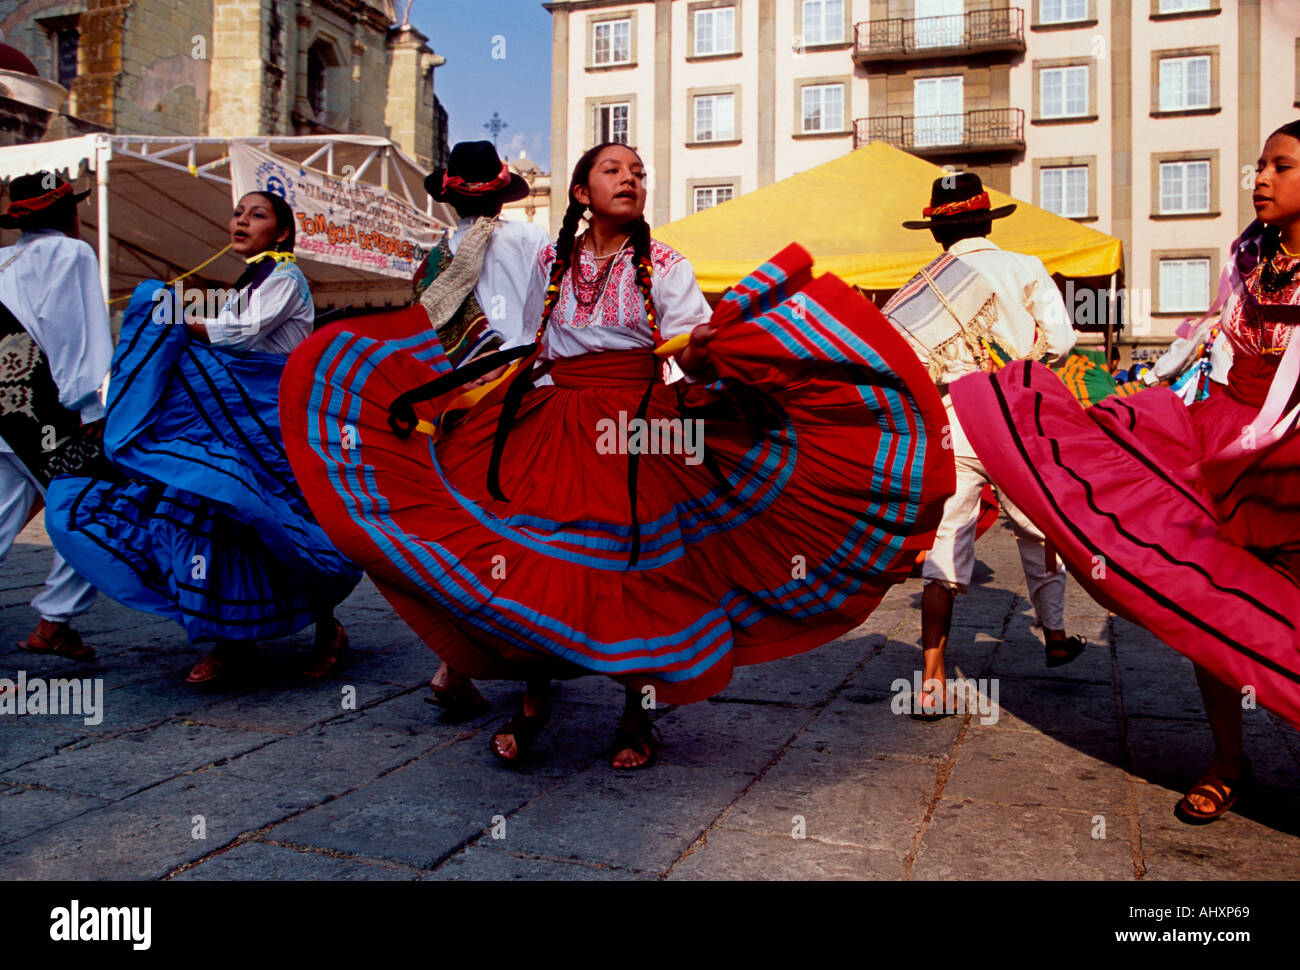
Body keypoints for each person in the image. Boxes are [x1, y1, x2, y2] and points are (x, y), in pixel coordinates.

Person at [281, 141, 954, 770]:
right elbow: (525, 338)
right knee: (536, 559)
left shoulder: (666, 265)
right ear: (580, 191)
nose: (630, 177)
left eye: (637, 170)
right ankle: (536, 695)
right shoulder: (550, 261)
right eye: (613, 169)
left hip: (639, 426)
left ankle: (637, 711)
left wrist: (700, 348)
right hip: (550, 418)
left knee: (638, 569)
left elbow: (689, 350)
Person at [947, 120, 1300, 823]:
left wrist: (1262, 435)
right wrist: (1137, 396)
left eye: (1281, 166)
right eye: (1260, 164)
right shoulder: (1249, 256)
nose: (1260, 178)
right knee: (1211, 599)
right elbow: (1207, 337)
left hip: (1287, 445)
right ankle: (1228, 758)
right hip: (1224, 429)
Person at [45, 191, 360, 684]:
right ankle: (230, 642)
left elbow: (237, 335)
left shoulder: (285, 278)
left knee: (284, 524)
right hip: (229, 431)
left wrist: (172, 317)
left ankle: (328, 630)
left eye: (257, 215)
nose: (241, 220)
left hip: (272, 429)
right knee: (216, 522)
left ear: (281, 233)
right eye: (237, 212)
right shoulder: (247, 280)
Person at [885, 172, 1086, 720]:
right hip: (1018, 416)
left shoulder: (926, 283)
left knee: (946, 544)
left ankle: (930, 680)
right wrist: (1023, 360)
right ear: (986, 220)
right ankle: (1057, 633)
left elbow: (909, 368)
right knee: (1039, 527)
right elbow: (1064, 340)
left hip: (959, 424)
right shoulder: (1024, 266)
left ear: (937, 232)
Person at [413, 141, 551, 719]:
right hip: (526, 394)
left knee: (462, 528)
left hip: (454, 405)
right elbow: (551, 316)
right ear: (503, 191)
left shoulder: (430, 258)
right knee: (533, 528)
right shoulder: (536, 241)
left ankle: (455, 663)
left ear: (449, 196)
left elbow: (420, 335)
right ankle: (535, 662)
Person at [0, 172, 112, 662]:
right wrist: (90, 405)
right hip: (50, 410)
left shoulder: (1, 260)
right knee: (89, 507)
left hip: (3, 411)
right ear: (69, 214)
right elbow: (74, 331)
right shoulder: (73, 254)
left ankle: (55, 622)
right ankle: (54, 620)